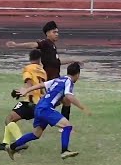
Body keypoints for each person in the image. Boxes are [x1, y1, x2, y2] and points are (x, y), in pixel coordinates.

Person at [5, 21, 72, 153]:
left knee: (36, 131)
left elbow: (57, 62)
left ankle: (10, 145)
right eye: (54, 32)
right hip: (49, 87)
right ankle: (64, 131)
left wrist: (73, 60)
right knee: (66, 100)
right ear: (47, 33)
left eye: (58, 32)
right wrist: (16, 45)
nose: (57, 34)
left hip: (47, 89)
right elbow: (33, 44)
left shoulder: (52, 48)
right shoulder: (46, 43)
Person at [7, 62, 90, 160]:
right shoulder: (69, 81)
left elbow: (41, 85)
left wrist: (27, 90)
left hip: (39, 107)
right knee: (67, 126)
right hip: (46, 108)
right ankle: (64, 151)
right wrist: (83, 108)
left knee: (36, 134)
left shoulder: (58, 79)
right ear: (77, 74)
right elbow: (68, 96)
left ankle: (11, 147)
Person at [0, 48, 47, 151]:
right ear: (39, 59)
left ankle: (20, 141)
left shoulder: (28, 68)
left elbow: (29, 84)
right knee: (12, 119)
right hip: (40, 104)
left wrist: (23, 92)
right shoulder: (43, 71)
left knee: (9, 119)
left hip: (29, 102)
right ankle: (4, 143)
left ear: (30, 58)